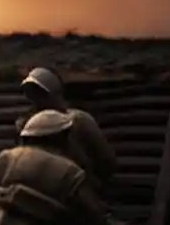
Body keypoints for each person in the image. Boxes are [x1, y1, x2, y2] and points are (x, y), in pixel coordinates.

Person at [17, 67, 117, 195]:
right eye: (31, 94)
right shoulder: (27, 125)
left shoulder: (79, 120)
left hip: (78, 189)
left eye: (40, 93)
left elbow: (106, 160)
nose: (36, 99)